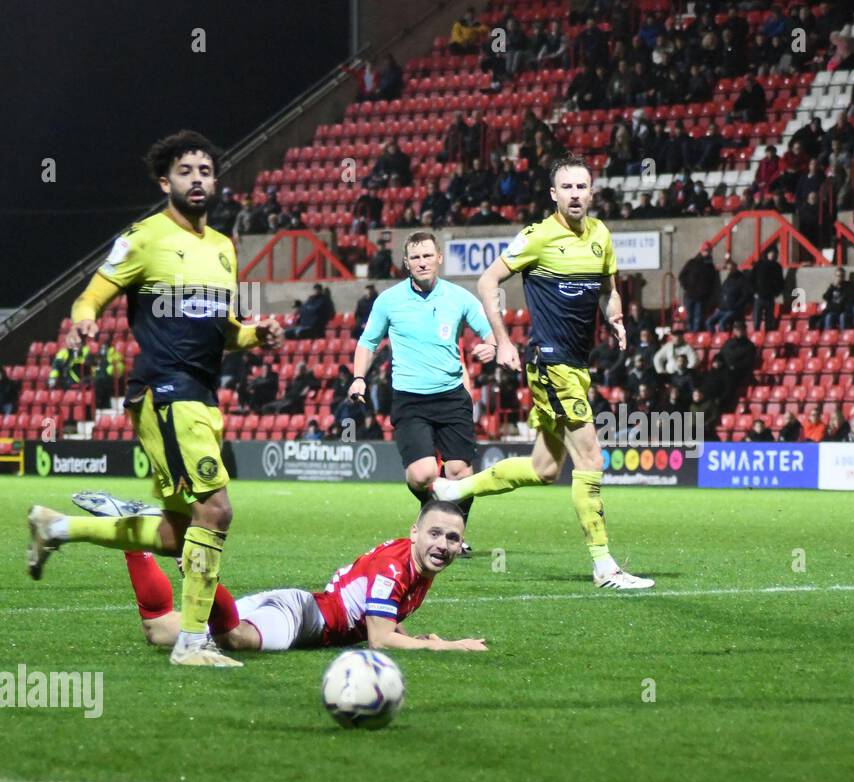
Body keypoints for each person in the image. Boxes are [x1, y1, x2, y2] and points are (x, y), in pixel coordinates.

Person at [25, 130, 283, 668]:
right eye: (186, 171)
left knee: (178, 531)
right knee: (217, 510)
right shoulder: (143, 237)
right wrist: (82, 327)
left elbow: (220, 329)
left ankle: (57, 527)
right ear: (166, 181)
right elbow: (89, 297)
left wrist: (254, 335)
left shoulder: (223, 247)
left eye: (206, 171)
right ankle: (192, 643)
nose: (198, 180)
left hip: (202, 395)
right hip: (166, 391)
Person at [435, 154, 654, 588]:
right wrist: (501, 339)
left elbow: (609, 289)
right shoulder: (537, 237)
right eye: (567, 187)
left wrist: (617, 318)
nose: (575, 194)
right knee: (590, 457)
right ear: (554, 194)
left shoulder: (601, 236)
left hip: (576, 364)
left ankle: (453, 490)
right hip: (550, 362)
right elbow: (487, 281)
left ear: (592, 192)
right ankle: (604, 566)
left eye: (582, 186)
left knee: (544, 469)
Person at [82, 494, 485, 653]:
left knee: (161, 632)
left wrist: (410, 636)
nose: (443, 545)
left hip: (298, 603)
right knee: (234, 638)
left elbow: (381, 621)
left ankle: (135, 538)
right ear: (415, 531)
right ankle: (200, 561)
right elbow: (379, 640)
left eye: (453, 539)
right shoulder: (395, 569)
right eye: (435, 533)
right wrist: (446, 645)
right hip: (304, 619)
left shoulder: (413, 560)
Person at [351, 232, 494, 552]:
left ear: (439, 258)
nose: (422, 262)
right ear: (406, 263)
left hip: (452, 395)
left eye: (428, 256)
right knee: (422, 474)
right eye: (415, 257)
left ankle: (449, 534)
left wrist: (492, 346)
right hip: (409, 399)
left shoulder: (460, 298)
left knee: (460, 474)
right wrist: (359, 377)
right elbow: (368, 342)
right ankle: (436, 521)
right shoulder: (388, 300)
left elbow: (489, 331)